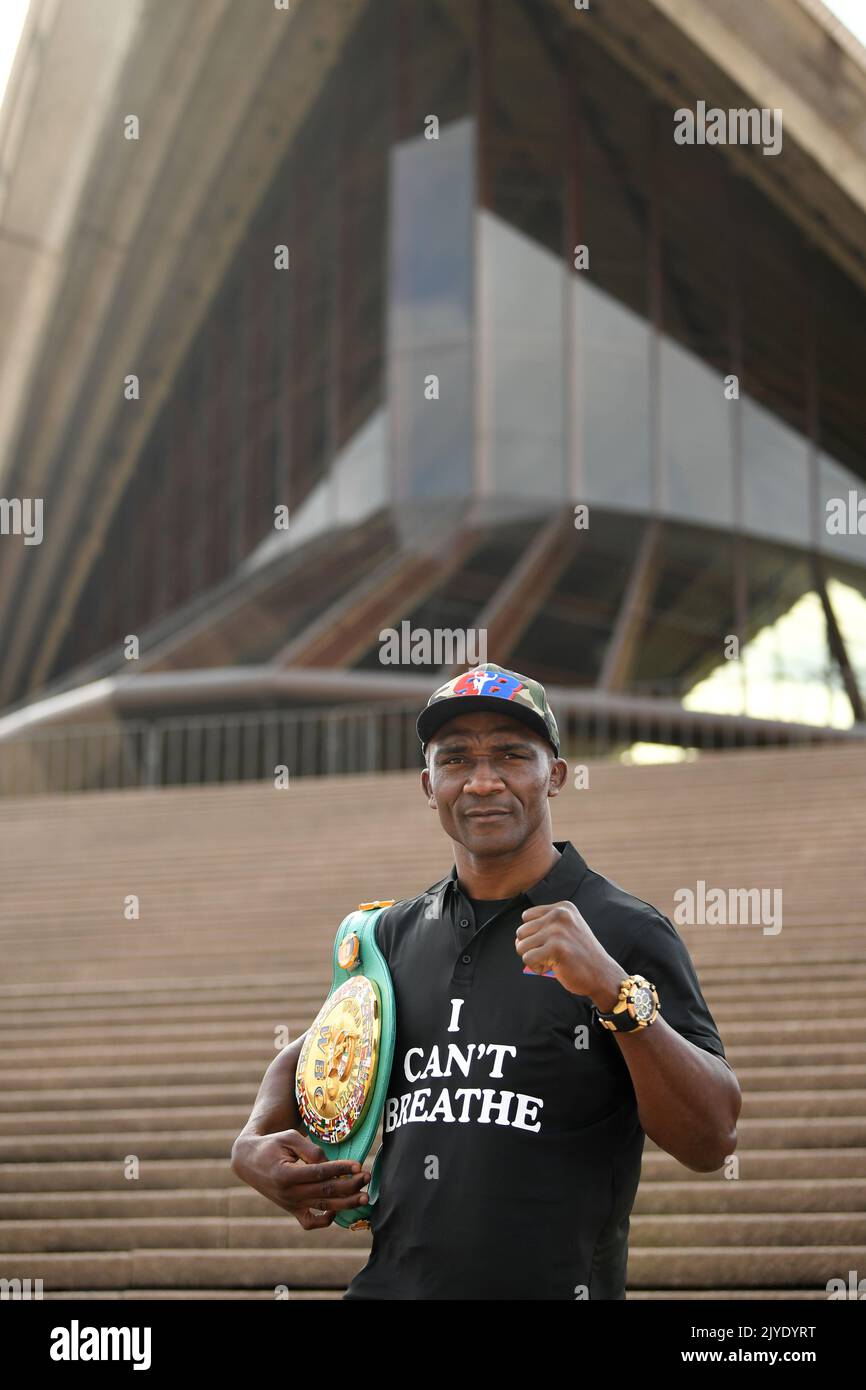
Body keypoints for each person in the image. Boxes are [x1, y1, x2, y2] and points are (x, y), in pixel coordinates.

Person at [231, 663, 741, 1299]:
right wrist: (251, 1143)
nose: (483, 781)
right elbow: (314, 1049)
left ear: (554, 776)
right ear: (429, 784)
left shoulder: (626, 930)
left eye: (510, 754)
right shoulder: (392, 933)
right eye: (456, 760)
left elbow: (711, 1138)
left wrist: (613, 992)